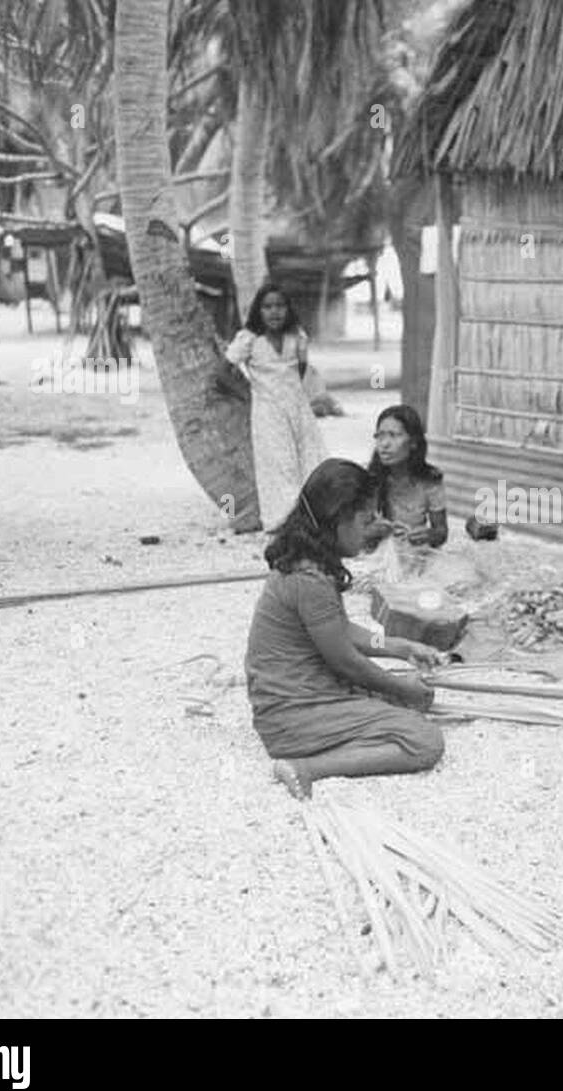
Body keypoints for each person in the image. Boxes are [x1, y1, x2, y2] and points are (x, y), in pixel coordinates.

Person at [244, 459, 447, 795]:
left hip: (288, 704)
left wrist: (399, 647)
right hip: (290, 715)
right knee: (424, 741)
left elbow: (340, 630)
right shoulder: (309, 580)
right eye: (366, 520)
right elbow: (345, 661)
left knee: (396, 700)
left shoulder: (304, 561)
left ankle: (324, 742)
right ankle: (305, 767)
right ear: (337, 519)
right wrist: (402, 689)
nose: (371, 529)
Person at [225, 283, 328, 531]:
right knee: (279, 464)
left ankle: (312, 517)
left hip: (298, 409)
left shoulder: (297, 337)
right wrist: (247, 393)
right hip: (268, 411)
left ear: (288, 309)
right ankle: (284, 521)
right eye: (268, 307)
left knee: (309, 459)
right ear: (258, 311)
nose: (274, 312)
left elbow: (301, 369)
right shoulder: (250, 339)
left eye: (280, 306)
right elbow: (224, 371)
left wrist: (293, 393)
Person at [362, 405, 448, 558]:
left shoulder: (430, 481)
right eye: (380, 436)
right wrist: (377, 531)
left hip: (414, 557)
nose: (384, 444)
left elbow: (441, 532)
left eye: (393, 435)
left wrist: (428, 535)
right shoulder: (368, 480)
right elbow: (353, 535)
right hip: (376, 557)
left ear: (413, 442)